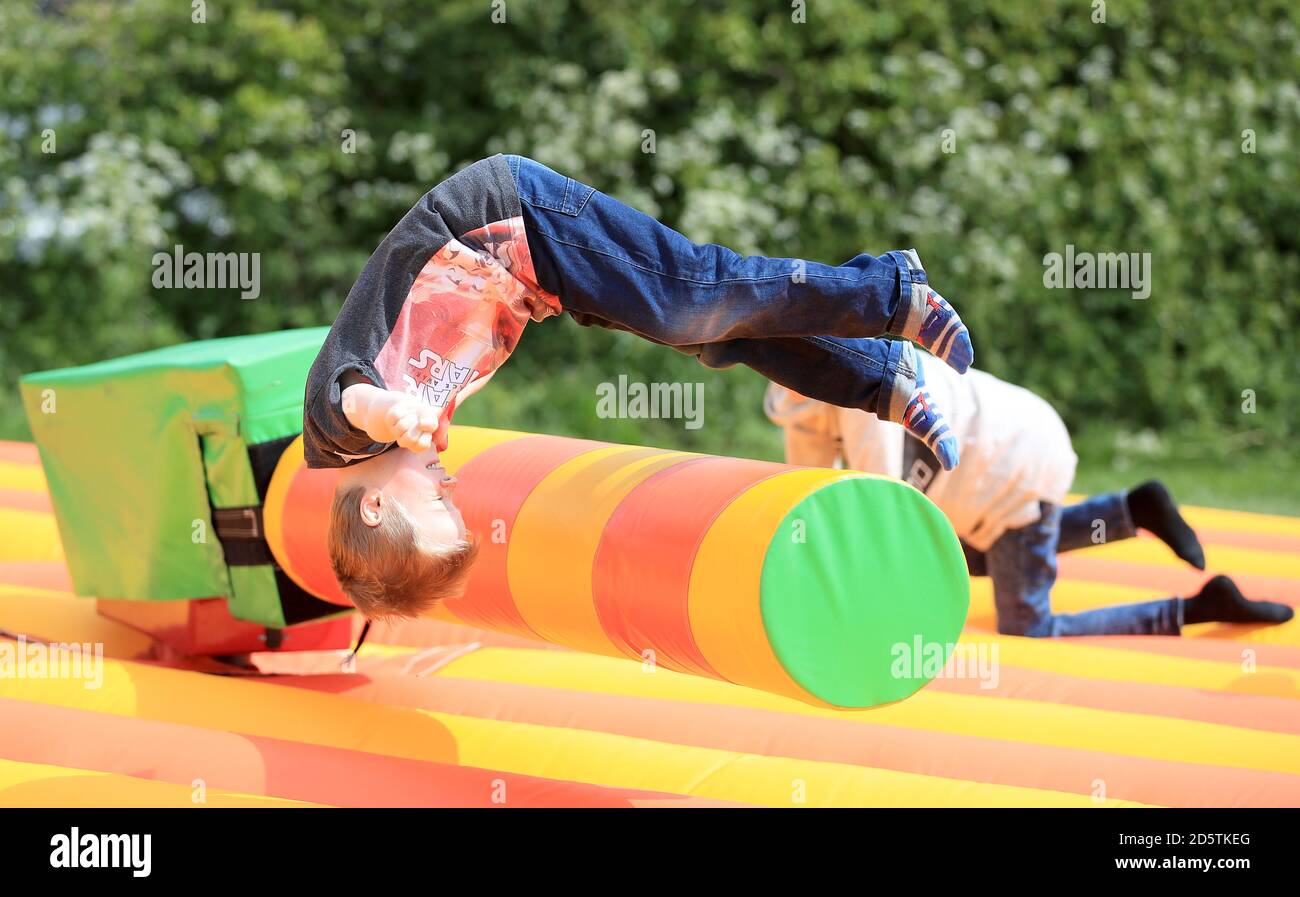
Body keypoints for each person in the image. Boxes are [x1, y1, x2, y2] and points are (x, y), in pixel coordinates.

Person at [302, 154, 975, 619]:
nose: (452, 487)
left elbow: (359, 397)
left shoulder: (343, 429)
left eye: (438, 504)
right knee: (707, 335)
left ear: (373, 507)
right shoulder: (416, 436)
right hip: (542, 281)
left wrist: (392, 413)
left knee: (691, 296)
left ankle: (888, 290)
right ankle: (880, 380)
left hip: (509, 217)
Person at [764, 359, 1294, 636]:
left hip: (1016, 464)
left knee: (1028, 625)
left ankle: (1200, 606)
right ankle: (1134, 510)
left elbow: (882, 508)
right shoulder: (801, 394)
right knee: (966, 556)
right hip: (1003, 456)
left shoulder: (856, 387)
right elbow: (810, 498)